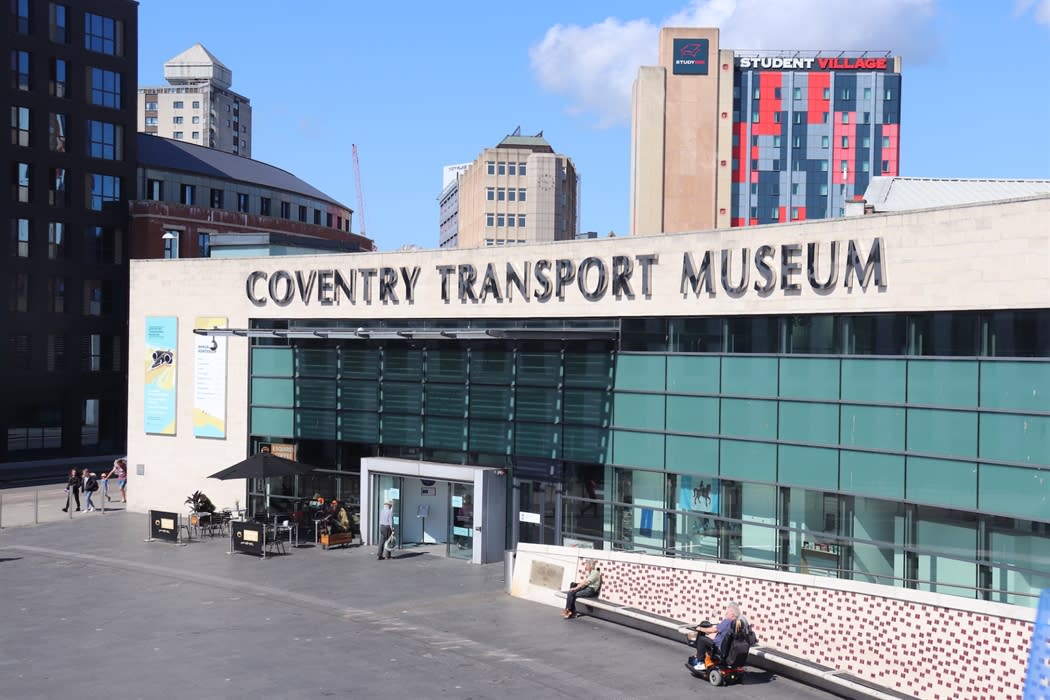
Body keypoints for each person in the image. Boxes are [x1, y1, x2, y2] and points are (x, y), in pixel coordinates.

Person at [689, 602, 744, 669]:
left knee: (701, 639)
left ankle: (700, 662)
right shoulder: (737, 624)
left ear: (732, 615)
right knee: (708, 638)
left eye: (728, 612)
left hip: (718, 647)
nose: (726, 613)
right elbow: (722, 633)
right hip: (727, 648)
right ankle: (706, 658)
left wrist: (699, 628)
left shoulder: (727, 621)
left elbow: (713, 630)